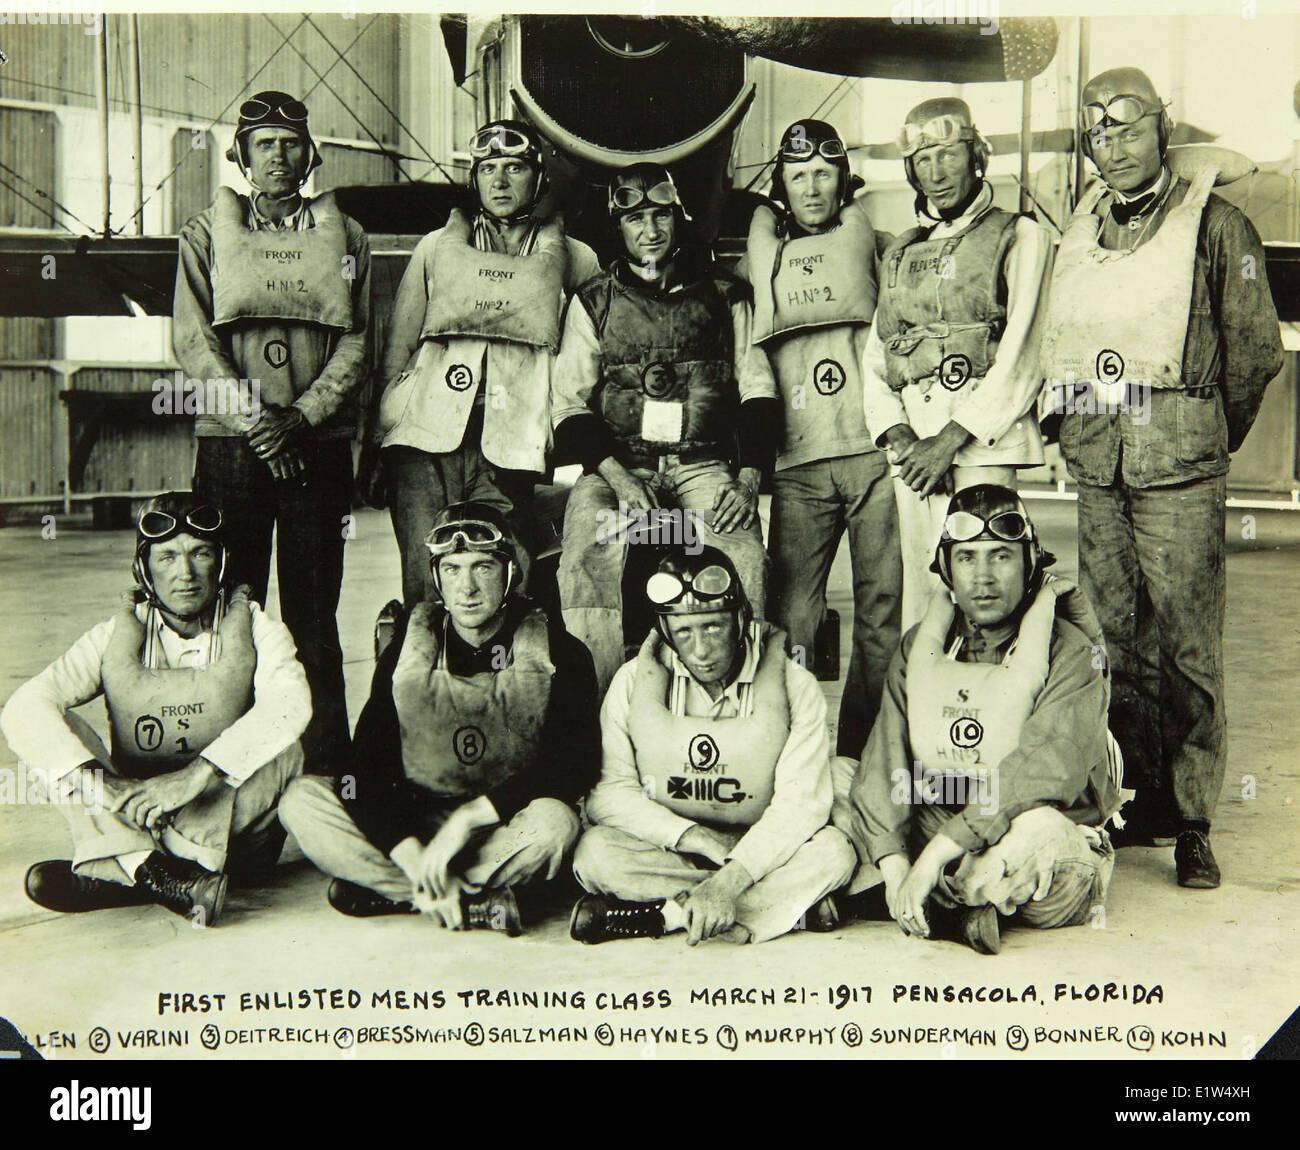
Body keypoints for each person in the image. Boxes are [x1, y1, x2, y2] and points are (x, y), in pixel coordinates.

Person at [1039, 68, 1283, 887]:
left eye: (1128, 124)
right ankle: (1135, 793)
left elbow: (1253, 356)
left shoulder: (1217, 225)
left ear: (1164, 127)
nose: (1112, 142)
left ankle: (1193, 819)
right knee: (1115, 638)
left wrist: (1202, 437)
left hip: (1178, 466)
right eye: (1097, 130)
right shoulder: (1084, 230)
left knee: (1187, 647)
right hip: (1100, 466)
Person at [279, 502, 600, 933]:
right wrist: (410, 852)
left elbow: (572, 767)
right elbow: (364, 771)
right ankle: (456, 895)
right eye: (452, 569)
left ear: (510, 572)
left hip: (499, 825)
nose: (467, 588)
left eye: (483, 567)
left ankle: (407, 894)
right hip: (420, 820)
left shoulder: (560, 650)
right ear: (437, 578)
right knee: (301, 802)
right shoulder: (406, 652)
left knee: (555, 826)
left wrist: (468, 820)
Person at [174, 90, 371, 778]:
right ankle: (236, 768)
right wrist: (260, 423)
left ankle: (326, 774)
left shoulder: (346, 240)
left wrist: (303, 417)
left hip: (312, 444)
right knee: (235, 614)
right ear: (241, 157)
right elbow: (194, 345)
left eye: (292, 143)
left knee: (314, 621)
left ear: (311, 155)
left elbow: (358, 343)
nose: (279, 157)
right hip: (233, 445)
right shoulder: (203, 235)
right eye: (265, 145)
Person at [1, 493, 310, 926]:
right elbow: (24, 706)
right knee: (52, 732)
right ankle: (169, 878)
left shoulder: (257, 625)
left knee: (287, 746)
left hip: (229, 825)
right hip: (139, 807)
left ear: (220, 563)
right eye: (167, 557)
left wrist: (193, 777)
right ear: (144, 568)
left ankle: (127, 868)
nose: (185, 573)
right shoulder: (117, 633)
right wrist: (101, 784)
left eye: (199, 553)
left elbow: (290, 703)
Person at [840, 485, 1124, 954]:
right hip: (941, 814)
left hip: (1025, 829)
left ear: (1030, 564)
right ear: (948, 570)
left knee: (1041, 836)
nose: (984, 577)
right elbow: (884, 755)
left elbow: (1044, 770)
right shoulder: (923, 645)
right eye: (968, 558)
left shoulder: (1072, 650)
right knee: (840, 780)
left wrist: (933, 857)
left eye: (1001, 557)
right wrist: (894, 866)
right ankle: (921, 897)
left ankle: (941, 897)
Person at [552, 163, 780, 695]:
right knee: (586, 544)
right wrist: (618, 479)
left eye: (660, 216)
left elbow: (758, 389)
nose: (649, 230)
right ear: (619, 229)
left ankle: (742, 692)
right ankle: (601, 699)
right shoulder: (593, 302)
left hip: (701, 464)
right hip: (619, 466)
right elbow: (567, 402)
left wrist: (746, 480)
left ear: (678, 221)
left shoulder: (726, 296)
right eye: (635, 219)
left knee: (744, 549)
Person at [363, 119, 601, 606]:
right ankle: (419, 677)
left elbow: (589, 361)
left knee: (506, 580)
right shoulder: (436, 248)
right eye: (487, 168)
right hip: (422, 440)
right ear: (473, 180)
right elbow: (398, 346)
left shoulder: (576, 260)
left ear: (539, 180)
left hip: (512, 447)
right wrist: (374, 443)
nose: (499, 180)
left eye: (515, 167)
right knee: (426, 583)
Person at [569, 546, 856, 945]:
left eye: (713, 627)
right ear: (666, 632)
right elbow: (609, 793)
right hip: (678, 839)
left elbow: (801, 803)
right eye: (684, 631)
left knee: (834, 851)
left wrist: (731, 878)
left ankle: (668, 915)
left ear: (740, 619)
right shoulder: (634, 681)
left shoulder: (795, 685)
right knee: (595, 853)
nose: (701, 650)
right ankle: (782, 910)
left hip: (758, 836)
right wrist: (699, 838)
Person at [741, 118, 902, 761]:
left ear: (843, 181)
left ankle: (863, 754)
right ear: (782, 185)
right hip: (800, 462)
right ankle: (796, 753)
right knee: (793, 619)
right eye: (799, 175)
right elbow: (750, 363)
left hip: (872, 455)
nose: (812, 187)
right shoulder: (757, 267)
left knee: (882, 610)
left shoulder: (883, 249)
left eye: (823, 174)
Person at [863, 98, 1053, 630]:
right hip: (912, 457)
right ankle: (928, 708)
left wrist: (947, 442)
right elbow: (878, 354)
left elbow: (1025, 353)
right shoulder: (899, 252)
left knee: (986, 590)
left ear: (977, 157)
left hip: (979, 444)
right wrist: (900, 436)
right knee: (923, 598)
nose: (936, 172)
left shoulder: (1022, 235)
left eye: (948, 154)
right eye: (923, 161)